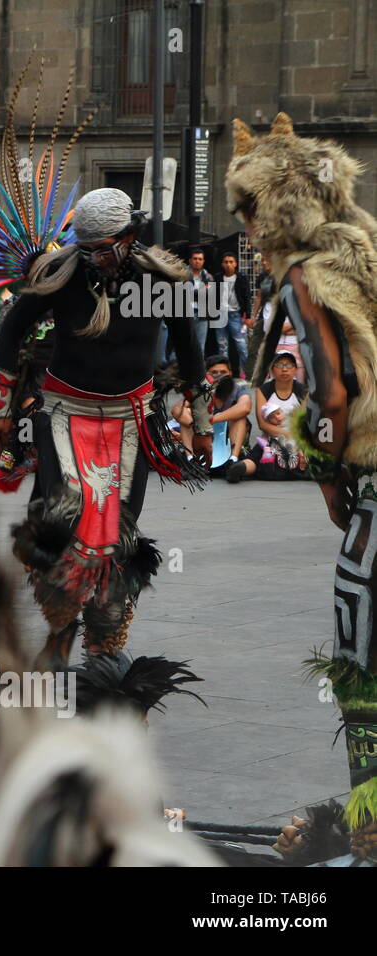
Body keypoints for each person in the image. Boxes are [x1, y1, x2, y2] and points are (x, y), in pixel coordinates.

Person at [226, 112, 377, 860]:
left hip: (376, 489)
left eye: (252, 212)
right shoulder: (369, 248)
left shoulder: (302, 276)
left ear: (284, 207)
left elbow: (328, 395)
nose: (248, 229)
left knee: (362, 673)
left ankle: (372, 833)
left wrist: (325, 475)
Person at [0, 188, 213, 666]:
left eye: (104, 247)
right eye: (86, 248)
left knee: (116, 531)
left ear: (130, 236)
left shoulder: (158, 280)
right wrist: (4, 409)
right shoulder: (60, 275)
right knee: (62, 520)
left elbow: (190, 346)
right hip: (65, 413)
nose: (95, 258)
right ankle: (62, 627)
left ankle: (105, 643)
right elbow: (9, 334)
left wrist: (202, 411)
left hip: (132, 419)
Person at [225, 353, 309, 482]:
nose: (284, 369)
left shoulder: (302, 391)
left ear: (295, 369)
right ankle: (239, 469)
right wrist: (286, 433)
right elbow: (263, 425)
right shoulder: (264, 390)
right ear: (272, 370)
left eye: (289, 365)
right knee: (255, 457)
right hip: (271, 439)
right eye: (279, 365)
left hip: (297, 440)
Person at [171, 355, 252, 464]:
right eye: (214, 372)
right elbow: (176, 411)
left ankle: (233, 460)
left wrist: (212, 419)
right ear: (206, 375)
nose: (219, 376)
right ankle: (191, 460)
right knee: (186, 414)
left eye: (223, 372)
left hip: (229, 436)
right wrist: (192, 422)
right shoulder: (200, 390)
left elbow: (245, 407)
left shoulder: (238, 389)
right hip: (203, 435)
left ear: (230, 374)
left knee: (240, 417)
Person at [214, 253, 252, 377]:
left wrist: (248, 316)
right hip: (220, 315)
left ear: (235, 263)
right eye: (226, 262)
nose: (228, 264)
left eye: (231, 261)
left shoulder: (241, 278)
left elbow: (247, 298)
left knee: (242, 346)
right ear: (222, 264)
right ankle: (224, 374)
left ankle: (246, 373)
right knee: (222, 347)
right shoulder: (217, 278)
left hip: (236, 315)